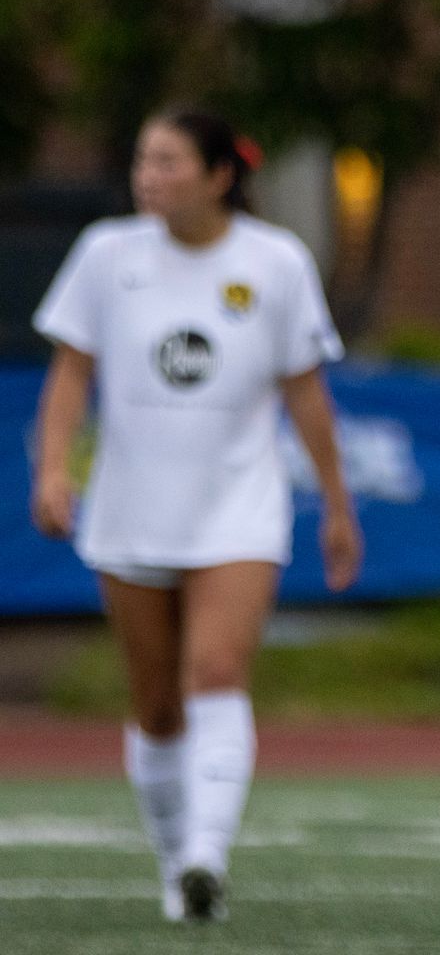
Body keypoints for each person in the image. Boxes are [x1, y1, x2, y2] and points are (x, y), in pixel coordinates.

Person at [28, 108, 362, 924]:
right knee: (156, 705)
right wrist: (50, 471)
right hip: (131, 508)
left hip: (237, 508)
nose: (149, 175)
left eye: (169, 161)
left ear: (220, 176)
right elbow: (71, 373)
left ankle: (207, 856)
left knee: (214, 672)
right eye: (143, 160)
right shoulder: (107, 255)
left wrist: (337, 503)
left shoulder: (276, 261)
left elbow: (305, 392)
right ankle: (176, 861)